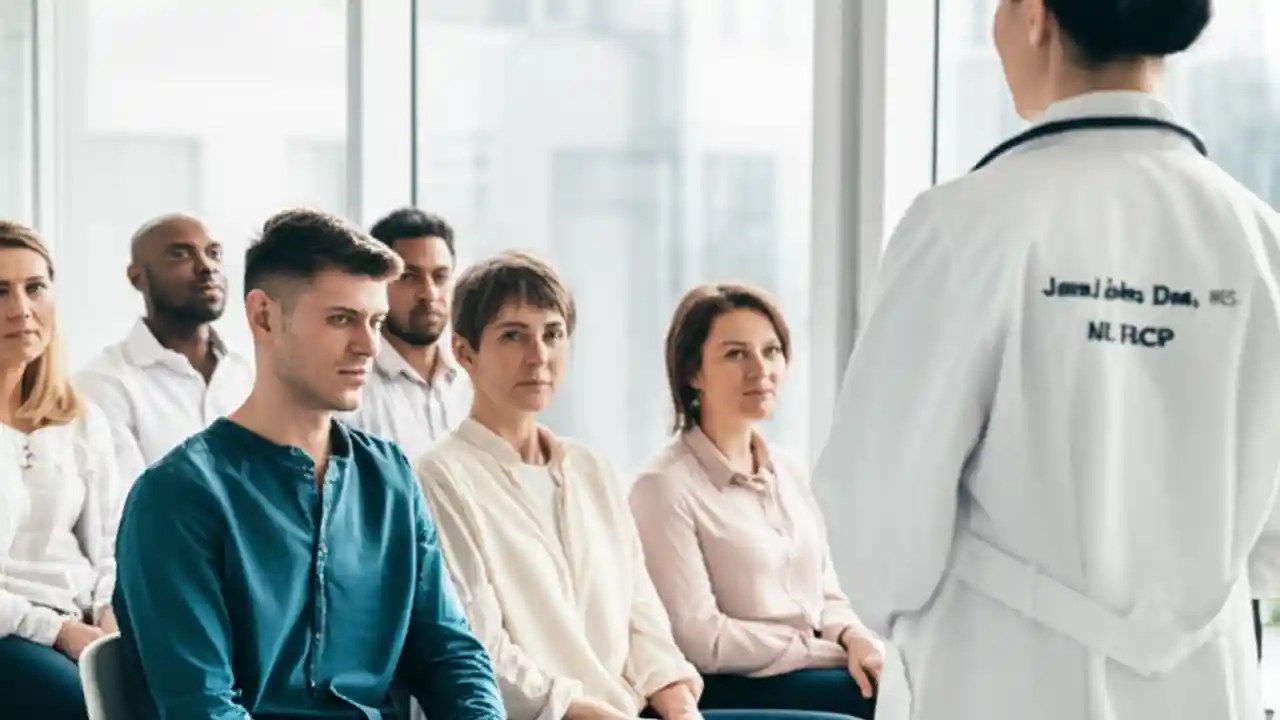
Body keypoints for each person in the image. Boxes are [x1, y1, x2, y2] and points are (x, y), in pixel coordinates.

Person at [810, 1, 1280, 719]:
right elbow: (1270, 547)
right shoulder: (1258, 243)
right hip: (1207, 688)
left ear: (1035, 16)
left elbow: (878, 542)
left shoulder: (966, 225)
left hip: (1004, 680)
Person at [113, 209, 505, 719]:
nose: (368, 345)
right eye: (341, 319)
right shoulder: (177, 498)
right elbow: (201, 708)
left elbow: (450, 655)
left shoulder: (389, 477)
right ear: (264, 317)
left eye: (376, 322)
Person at [415, 250, 708, 720]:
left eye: (553, 334)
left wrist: (680, 709)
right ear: (464, 352)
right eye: (513, 336)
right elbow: (479, 650)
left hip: (629, 710)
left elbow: (642, 615)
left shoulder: (592, 469)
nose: (538, 356)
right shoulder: (439, 477)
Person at [630, 283, 881, 720]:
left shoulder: (789, 471)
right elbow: (700, 640)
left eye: (771, 351)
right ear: (693, 372)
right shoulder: (663, 487)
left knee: (908, 685)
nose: (759, 370)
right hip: (726, 687)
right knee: (895, 699)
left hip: (808, 669)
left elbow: (825, 592)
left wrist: (854, 637)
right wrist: (821, 650)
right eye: (735, 354)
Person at [0, 221, 124, 720]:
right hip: (11, 627)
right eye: (0, 291)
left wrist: (110, 615)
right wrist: (57, 632)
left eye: (35, 288)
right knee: (77, 705)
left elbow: (112, 539)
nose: (21, 309)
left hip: (79, 620)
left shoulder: (80, 416)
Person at [76, 214, 253, 483]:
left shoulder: (251, 371)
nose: (206, 267)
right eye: (180, 254)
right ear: (137, 278)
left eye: (213, 253)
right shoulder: (104, 384)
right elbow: (127, 510)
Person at [345, 208, 470, 463]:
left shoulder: (473, 382)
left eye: (440, 276)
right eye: (410, 276)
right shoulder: (352, 388)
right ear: (377, 282)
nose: (430, 293)